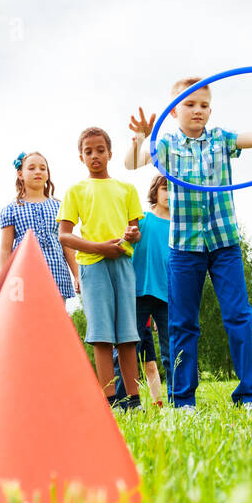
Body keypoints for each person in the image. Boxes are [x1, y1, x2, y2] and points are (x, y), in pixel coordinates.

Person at [126, 78, 252, 416]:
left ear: (210, 110)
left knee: (239, 316)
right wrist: (143, 138)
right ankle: (184, 401)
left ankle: (251, 397)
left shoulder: (220, 140)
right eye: (190, 104)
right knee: (183, 323)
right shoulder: (167, 145)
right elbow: (131, 163)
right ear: (175, 110)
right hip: (184, 247)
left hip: (224, 243)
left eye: (204, 104)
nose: (197, 109)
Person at [57, 127, 144, 410]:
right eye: (88, 152)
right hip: (92, 268)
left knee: (128, 335)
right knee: (102, 336)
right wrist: (99, 247)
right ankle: (109, 403)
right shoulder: (76, 191)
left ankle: (134, 400)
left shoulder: (126, 189)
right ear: (81, 157)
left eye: (100, 150)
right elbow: (65, 235)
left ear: (110, 153)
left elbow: (136, 231)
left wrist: (131, 236)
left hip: (122, 265)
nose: (95, 156)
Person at [111, 173, 171, 407]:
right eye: (166, 188)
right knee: (127, 348)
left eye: (176, 190)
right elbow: (124, 246)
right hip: (136, 293)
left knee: (172, 349)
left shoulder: (179, 226)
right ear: (155, 191)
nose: (170, 194)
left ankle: (179, 400)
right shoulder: (143, 220)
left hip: (167, 295)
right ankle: (123, 403)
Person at [0, 151, 80, 299]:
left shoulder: (59, 207)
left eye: (43, 168)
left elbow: (67, 247)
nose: (38, 171)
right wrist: (4, 281)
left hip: (57, 276)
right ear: (20, 174)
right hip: (23, 278)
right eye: (31, 168)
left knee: (54, 321)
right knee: (26, 321)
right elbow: (5, 250)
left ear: (47, 174)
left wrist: (77, 275)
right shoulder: (11, 209)